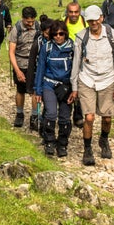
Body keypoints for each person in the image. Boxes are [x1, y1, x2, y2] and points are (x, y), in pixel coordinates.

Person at [68, 5, 114, 166]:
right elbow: (76, 63)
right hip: (86, 79)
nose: (93, 23)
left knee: (107, 118)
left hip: (108, 79)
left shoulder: (111, 35)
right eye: (89, 21)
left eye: (95, 20)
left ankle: (104, 140)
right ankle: (87, 149)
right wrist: (74, 87)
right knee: (89, 117)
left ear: (101, 18)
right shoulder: (81, 37)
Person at [34, 18, 74, 157]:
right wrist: (37, 90)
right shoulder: (47, 47)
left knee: (64, 116)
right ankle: (49, 141)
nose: (58, 36)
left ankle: (62, 143)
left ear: (65, 34)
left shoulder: (72, 47)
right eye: (55, 34)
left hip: (66, 86)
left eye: (61, 33)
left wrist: (75, 90)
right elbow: (40, 68)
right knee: (51, 113)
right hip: (49, 84)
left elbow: (77, 69)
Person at [7, 6, 39, 127]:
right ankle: (19, 114)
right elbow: (11, 52)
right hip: (21, 62)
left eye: (32, 21)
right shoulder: (17, 29)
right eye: (28, 21)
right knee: (20, 90)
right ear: (23, 18)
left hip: (35, 64)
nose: (30, 24)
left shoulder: (39, 27)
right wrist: (17, 70)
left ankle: (35, 116)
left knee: (35, 90)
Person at [63, 0, 86, 127]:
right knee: (68, 85)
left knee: (80, 85)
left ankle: (78, 114)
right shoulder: (62, 23)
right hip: (67, 58)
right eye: (71, 12)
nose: (73, 14)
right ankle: (67, 112)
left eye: (76, 12)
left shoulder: (85, 22)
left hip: (82, 59)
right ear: (67, 12)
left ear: (79, 12)